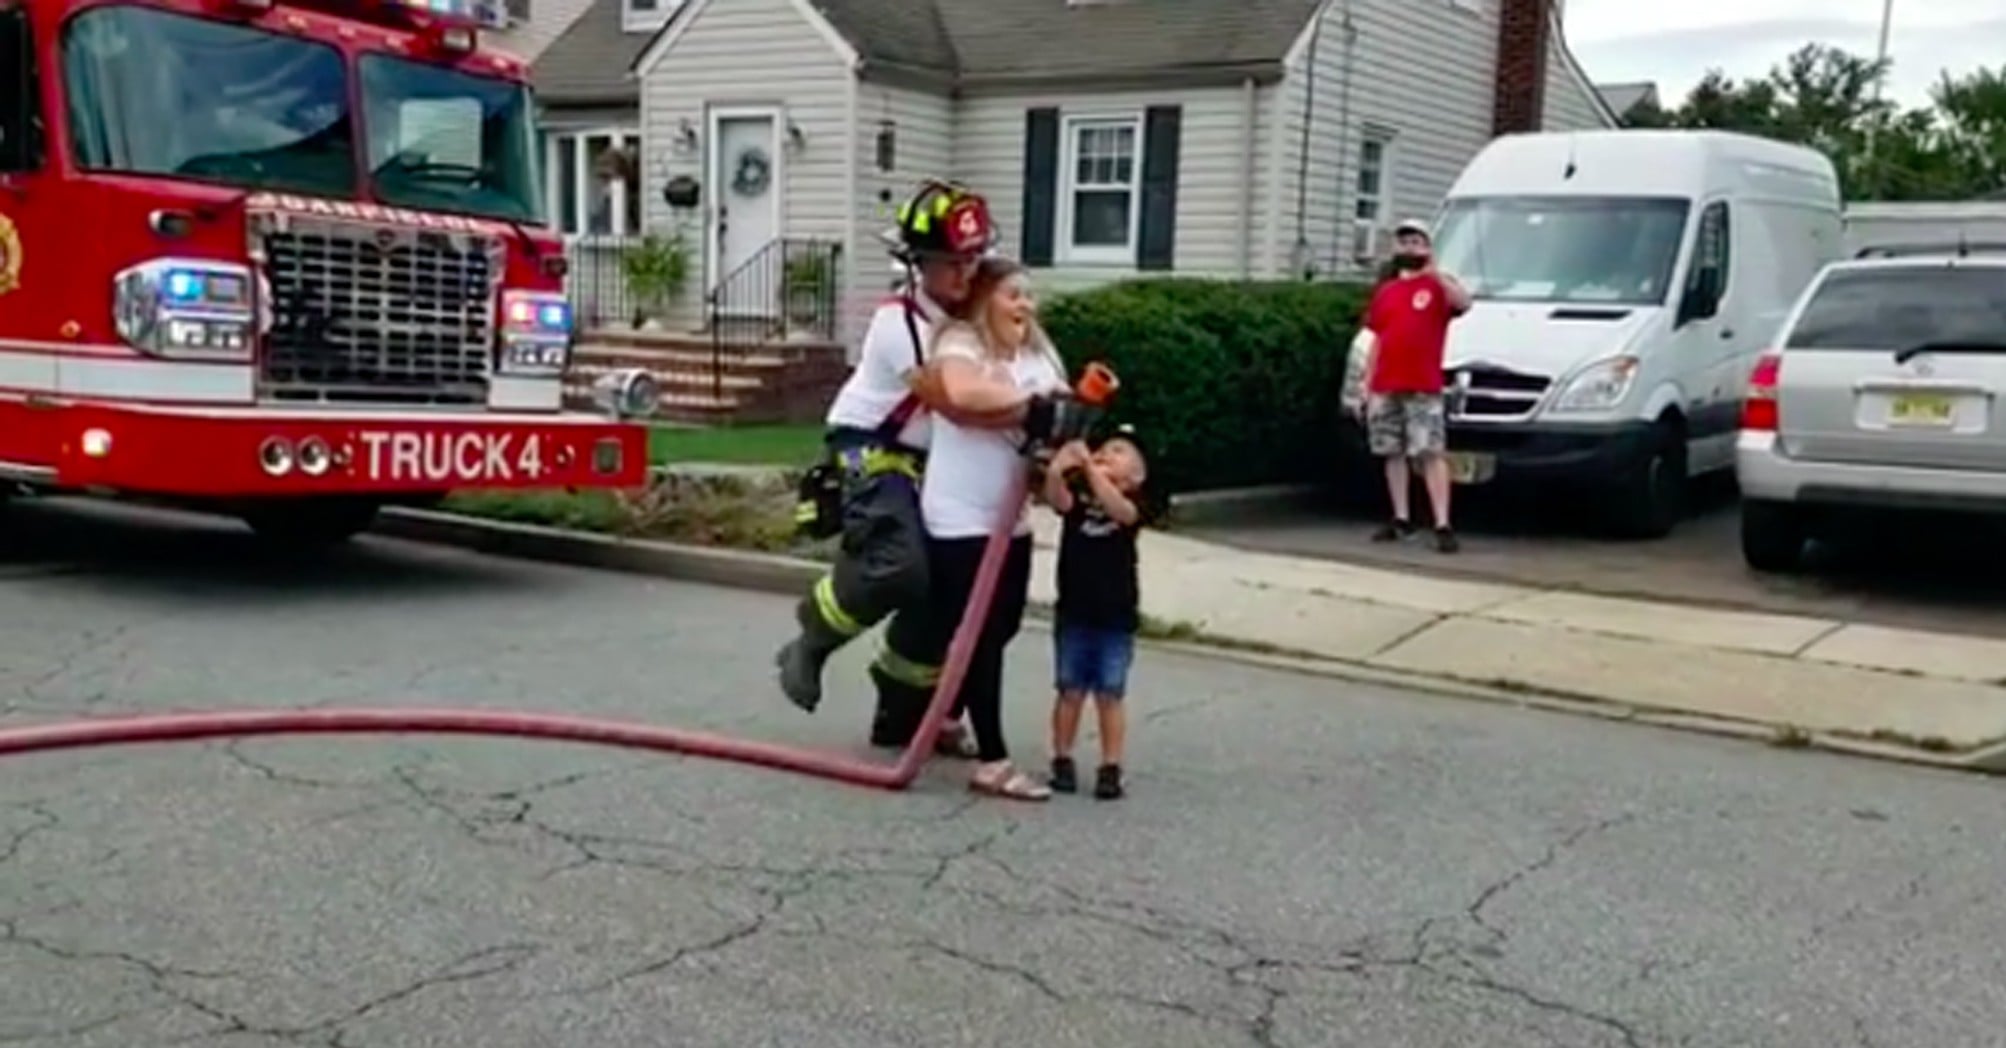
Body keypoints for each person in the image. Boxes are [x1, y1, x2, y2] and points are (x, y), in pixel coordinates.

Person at [773, 179, 1023, 758]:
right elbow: (952, 401)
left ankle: (901, 709)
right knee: (899, 564)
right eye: (950, 263)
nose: (965, 273)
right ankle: (812, 638)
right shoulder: (901, 323)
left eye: (973, 260)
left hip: (933, 460)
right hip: (870, 445)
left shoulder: (975, 319)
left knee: (944, 588)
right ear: (918, 264)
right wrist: (1031, 412)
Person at [873, 256, 1069, 801]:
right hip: (960, 516)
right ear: (985, 300)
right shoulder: (960, 342)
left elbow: (1063, 413)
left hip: (1012, 518)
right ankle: (993, 761)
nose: (1025, 305)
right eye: (1013, 294)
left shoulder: (1037, 353)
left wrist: (1061, 441)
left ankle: (944, 714)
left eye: (1029, 295)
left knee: (1002, 626)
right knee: (981, 636)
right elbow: (962, 394)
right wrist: (1031, 407)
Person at [1041, 424, 1148, 801]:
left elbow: (1121, 511)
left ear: (1136, 476)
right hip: (1075, 611)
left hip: (1115, 616)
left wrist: (1088, 467)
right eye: (1104, 448)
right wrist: (1058, 470)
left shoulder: (1135, 503)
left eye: (1119, 451)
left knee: (1109, 693)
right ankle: (1062, 758)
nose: (1106, 454)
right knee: (1069, 689)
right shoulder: (1080, 501)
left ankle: (1110, 765)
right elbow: (1057, 500)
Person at [1362, 218, 1473, 554]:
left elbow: (1464, 303)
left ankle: (1442, 522)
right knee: (1391, 451)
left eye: (1416, 241)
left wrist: (1435, 272)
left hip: (1423, 383)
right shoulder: (1386, 292)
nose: (1409, 247)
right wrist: (1367, 384)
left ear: (1427, 247)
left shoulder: (1438, 287)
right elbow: (1377, 339)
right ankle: (1401, 517)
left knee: (1429, 452)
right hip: (1386, 383)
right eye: (1404, 241)